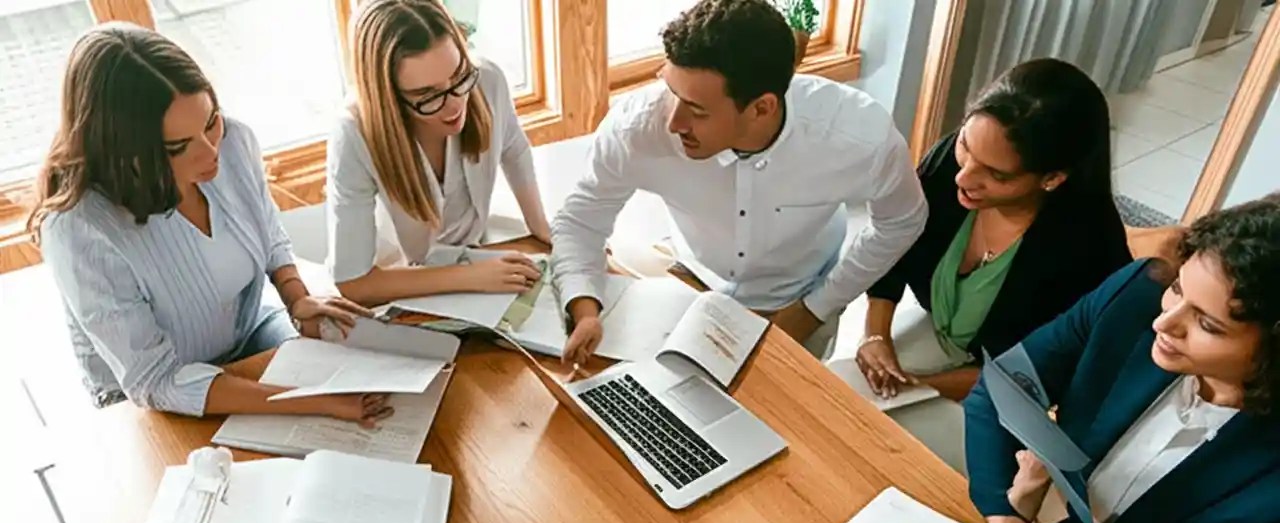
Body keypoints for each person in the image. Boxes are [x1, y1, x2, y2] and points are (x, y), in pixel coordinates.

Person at [924, 195, 1280, 523]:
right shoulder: (1135, 295)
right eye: (1178, 289)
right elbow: (998, 388)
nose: (1165, 322)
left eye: (1208, 324)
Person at [31, 23, 390, 427]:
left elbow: (268, 234)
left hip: (246, 337)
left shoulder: (233, 141)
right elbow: (155, 379)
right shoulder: (79, 229)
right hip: (147, 398)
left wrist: (296, 295)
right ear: (123, 153)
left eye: (209, 121)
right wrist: (313, 401)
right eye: (177, 147)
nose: (210, 153)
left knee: (360, 373)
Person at [551, 0, 927, 363]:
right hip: (690, 281)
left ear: (762, 107)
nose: (673, 122)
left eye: (697, 110)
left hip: (801, 295)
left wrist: (815, 308)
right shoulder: (637, 127)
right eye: (671, 91)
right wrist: (585, 309)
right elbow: (581, 219)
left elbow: (903, 220)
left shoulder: (860, 138)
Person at [828, 58, 1132, 471]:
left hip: (1005, 382)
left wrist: (926, 387)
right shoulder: (951, 164)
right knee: (838, 400)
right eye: (966, 146)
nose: (964, 177)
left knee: (930, 467)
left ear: (1052, 178)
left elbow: (1038, 372)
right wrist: (874, 335)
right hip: (948, 338)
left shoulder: (1084, 250)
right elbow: (896, 246)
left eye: (995, 175)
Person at [327, 0, 549, 307]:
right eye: (427, 95)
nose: (456, 103)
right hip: (401, 279)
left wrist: (545, 228)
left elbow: (514, 149)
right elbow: (354, 282)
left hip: (477, 252)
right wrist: (470, 277)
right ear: (387, 96)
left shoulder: (487, 79)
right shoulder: (353, 134)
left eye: (459, 76)